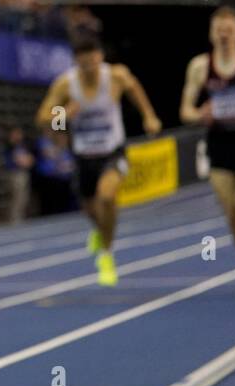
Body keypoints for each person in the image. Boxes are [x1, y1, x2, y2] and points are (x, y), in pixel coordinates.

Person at [35, 29, 162, 286]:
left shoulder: (115, 75)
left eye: (93, 61)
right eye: (83, 64)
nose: (89, 68)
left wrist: (149, 115)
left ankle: (106, 254)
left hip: (112, 151)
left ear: (100, 57)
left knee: (107, 196)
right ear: (76, 62)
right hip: (83, 155)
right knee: (91, 210)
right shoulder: (65, 84)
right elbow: (42, 118)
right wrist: (64, 114)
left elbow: (135, 89)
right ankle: (99, 231)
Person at [179, 5, 235, 297]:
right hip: (219, 150)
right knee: (233, 217)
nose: (224, 34)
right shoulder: (200, 67)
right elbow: (185, 111)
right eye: (219, 30)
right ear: (212, 34)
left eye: (229, 30)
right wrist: (201, 114)